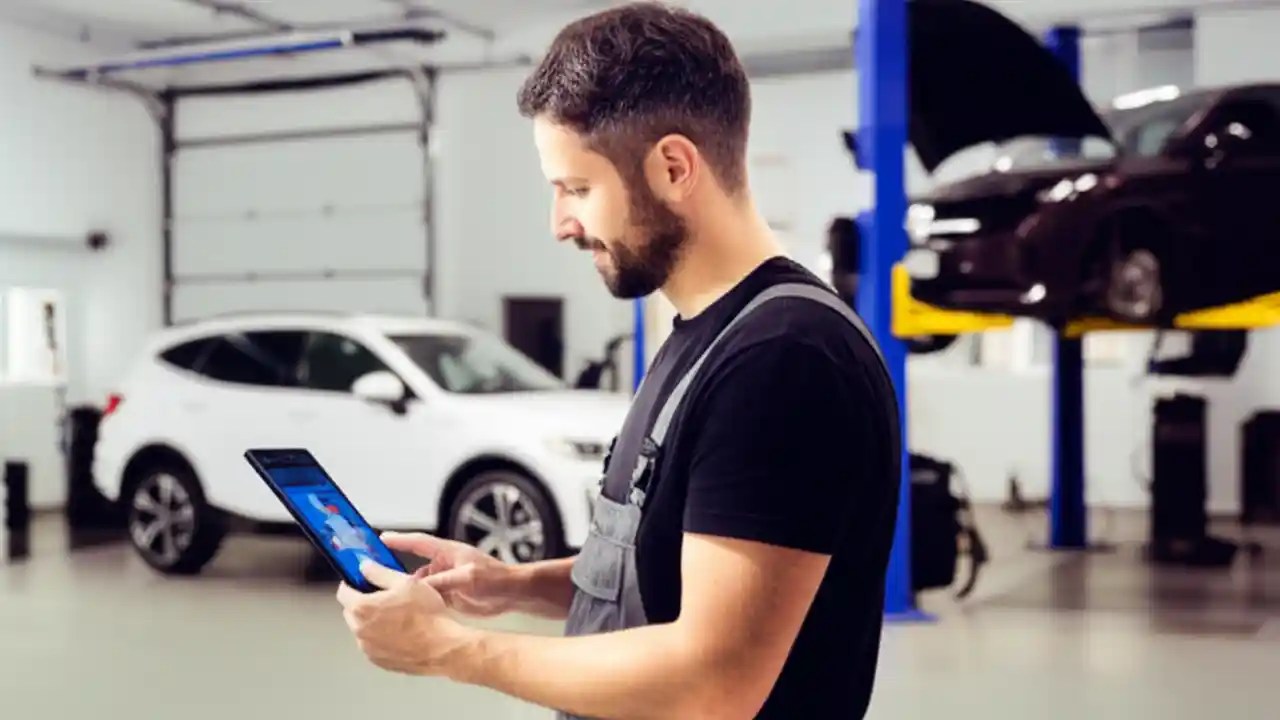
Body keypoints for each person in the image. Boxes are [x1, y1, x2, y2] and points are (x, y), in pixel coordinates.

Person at [336, 3, 902, 719]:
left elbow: (714, 682)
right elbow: (666, 570)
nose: (560, 224)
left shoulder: (783, 361)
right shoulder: (708, 335)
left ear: (672, 166)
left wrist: (449, 649)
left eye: (577, 188)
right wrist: (513, 583)